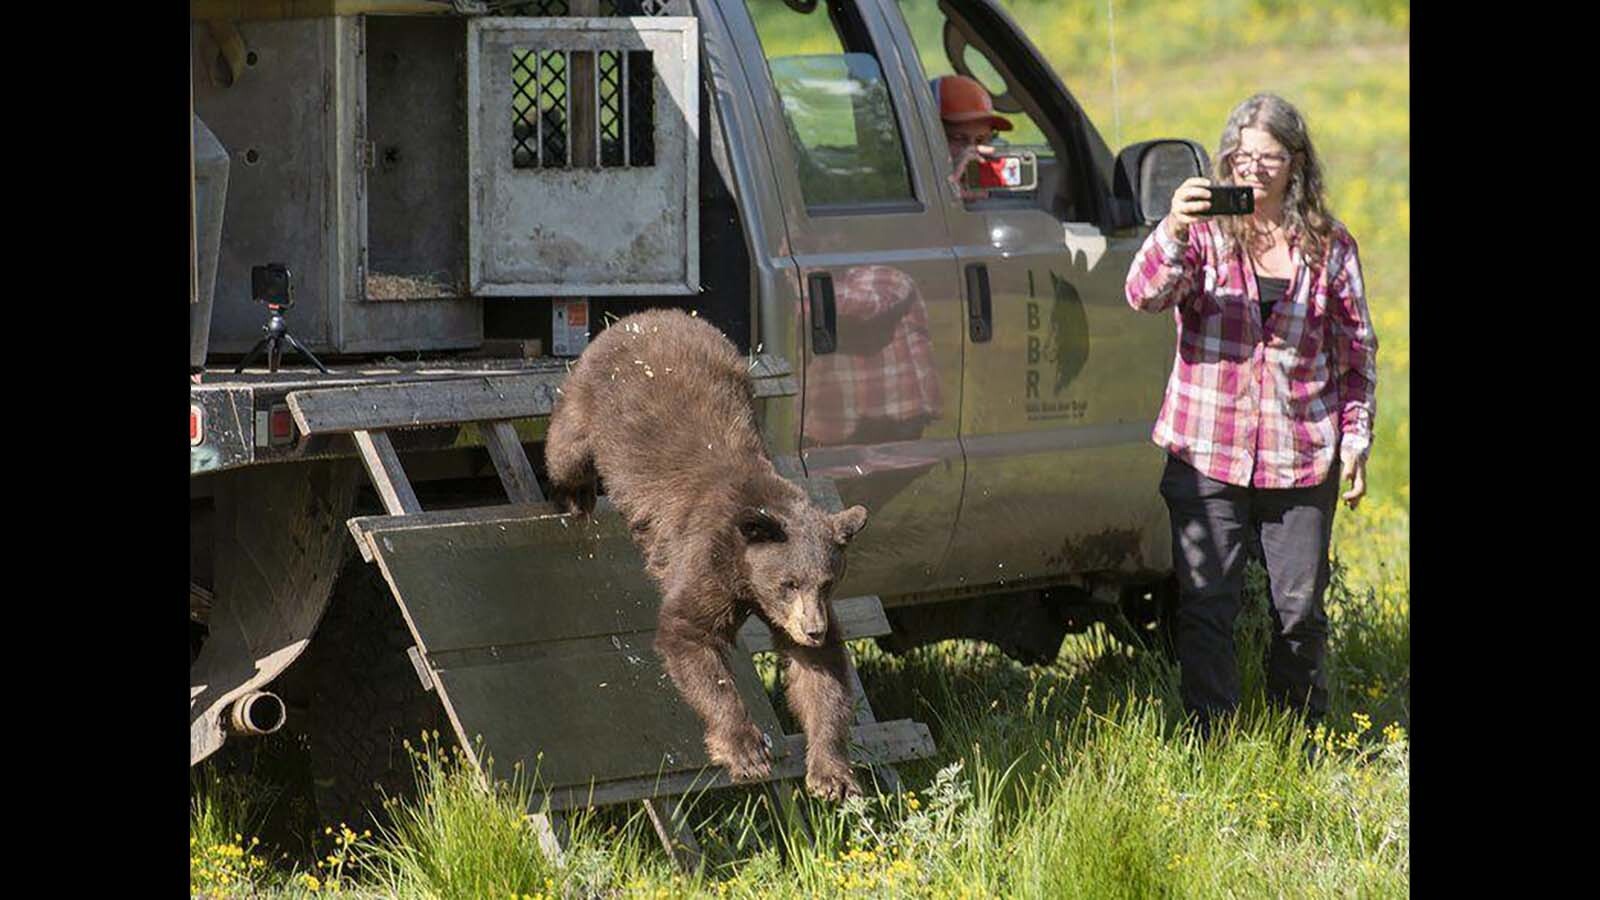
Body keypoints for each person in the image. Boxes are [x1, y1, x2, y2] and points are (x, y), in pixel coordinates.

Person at [1124, 93, 1378, 738]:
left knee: (1299, 612)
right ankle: (1212, 741)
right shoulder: (1204, 234)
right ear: (1226, 159)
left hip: (1301, 454)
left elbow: (1357, 351)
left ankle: (1298, 741)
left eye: (1270, 157)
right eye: (1242, 156)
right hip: (1207, 449)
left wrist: (1355, 440)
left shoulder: (1329, 245)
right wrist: (1174, 228)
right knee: (1208, 607)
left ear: (1296, 163)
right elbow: (1143, 295)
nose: (1255, 169)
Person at [930, 74, 1011, 201]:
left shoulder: (996, 181)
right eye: (958, 138)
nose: (972, 150)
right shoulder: (912, 187)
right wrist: (950, 192)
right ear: (929, 138)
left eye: (981, 140)